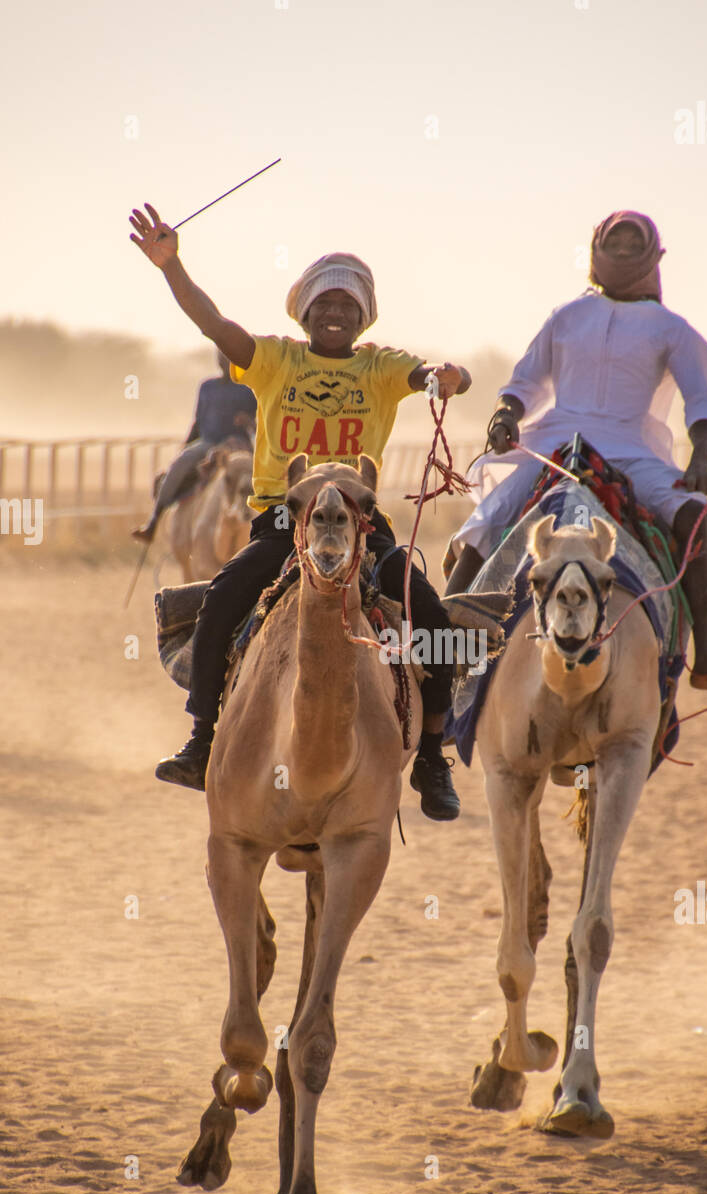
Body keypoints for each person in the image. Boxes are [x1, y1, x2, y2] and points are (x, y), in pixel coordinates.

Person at [129, 203, 472, 818]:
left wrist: (451, 376)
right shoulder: (273, 359)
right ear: (306, 312)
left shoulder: (382, 367)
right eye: (325, 305)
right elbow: (213, 323)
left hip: (362, 522)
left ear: (362, 317)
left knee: (433, 617)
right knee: (225, 597)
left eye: (348, 306)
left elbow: (434, 376)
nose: (336, 314)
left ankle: (430, 759)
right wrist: (171, 265)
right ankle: (202, 736)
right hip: (284, 521)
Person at [445, 210, 707, 699]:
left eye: (634, 245)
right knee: (488, 518)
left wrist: (702, 457)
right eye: (615, 243)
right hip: (555, 443)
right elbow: (523, 383)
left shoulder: (673, 329)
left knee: (693, 518)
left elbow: (705, 400)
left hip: (633, 449)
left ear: (653, 254)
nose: (623, 252)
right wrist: (506, 415)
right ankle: (442, 648)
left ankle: (706, 658)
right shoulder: (567, 317)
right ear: (596, 249)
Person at [131, 349, 256, 543]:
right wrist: (185, 447)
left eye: (228, 356)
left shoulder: (249, 389)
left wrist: (248, 422)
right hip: (207, 443)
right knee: (180, 465)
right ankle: (153, 522)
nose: (224, 361)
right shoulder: (207, 387)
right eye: (221, 356)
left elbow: (261, 424)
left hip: (237, 446)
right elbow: (198, 422)